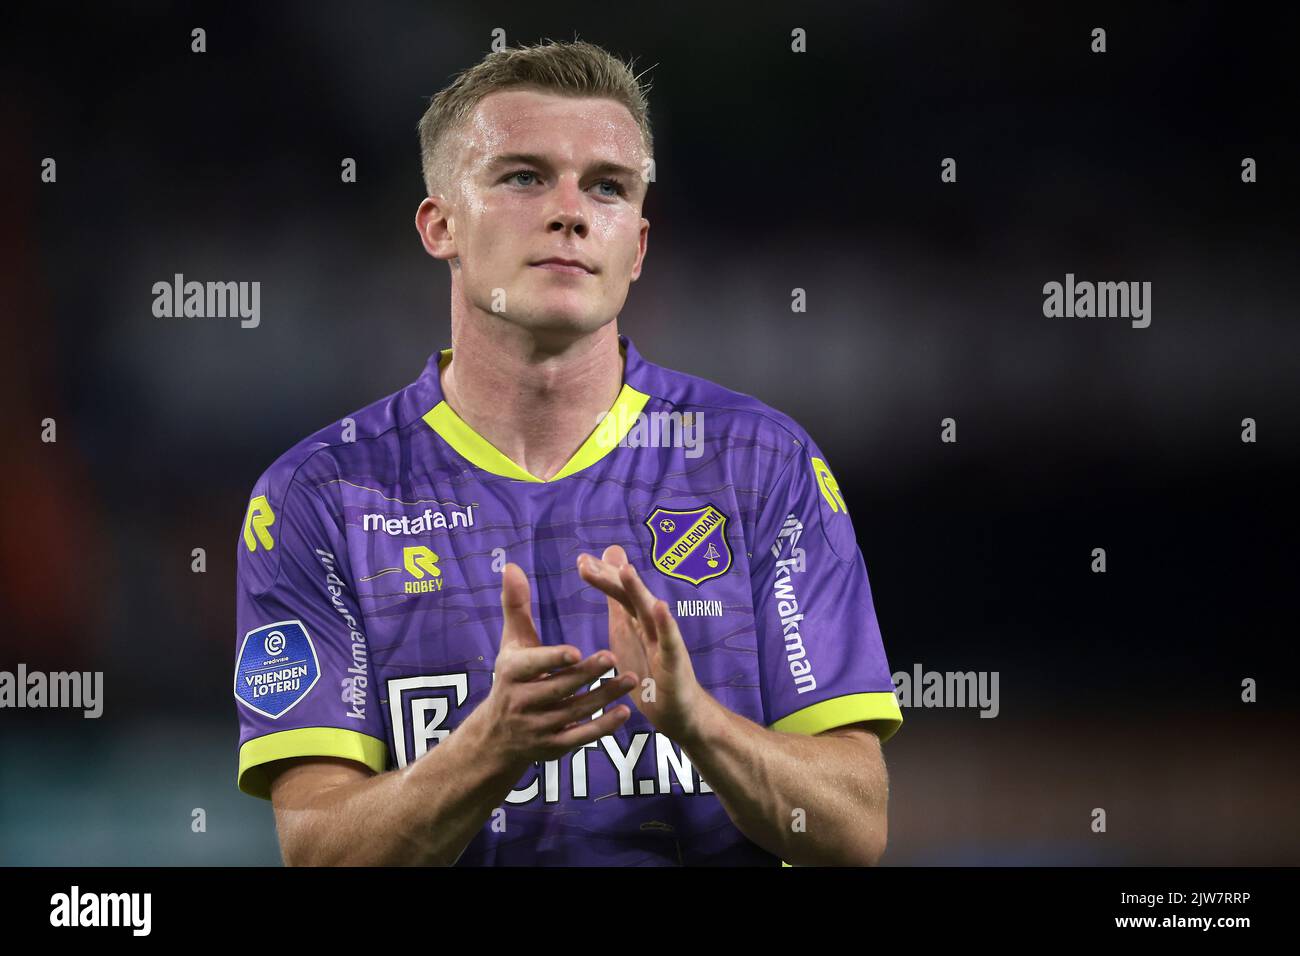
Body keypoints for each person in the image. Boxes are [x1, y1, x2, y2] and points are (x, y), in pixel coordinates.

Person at [233, 39, 902, 866]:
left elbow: (855, 830)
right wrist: (489, 748)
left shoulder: (761, 463)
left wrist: (698, 723)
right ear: (440, 224)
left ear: (639, 245)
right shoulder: (321, 495)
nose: (571, 211)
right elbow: (319, 851)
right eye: (522, 176)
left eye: (608, 187)